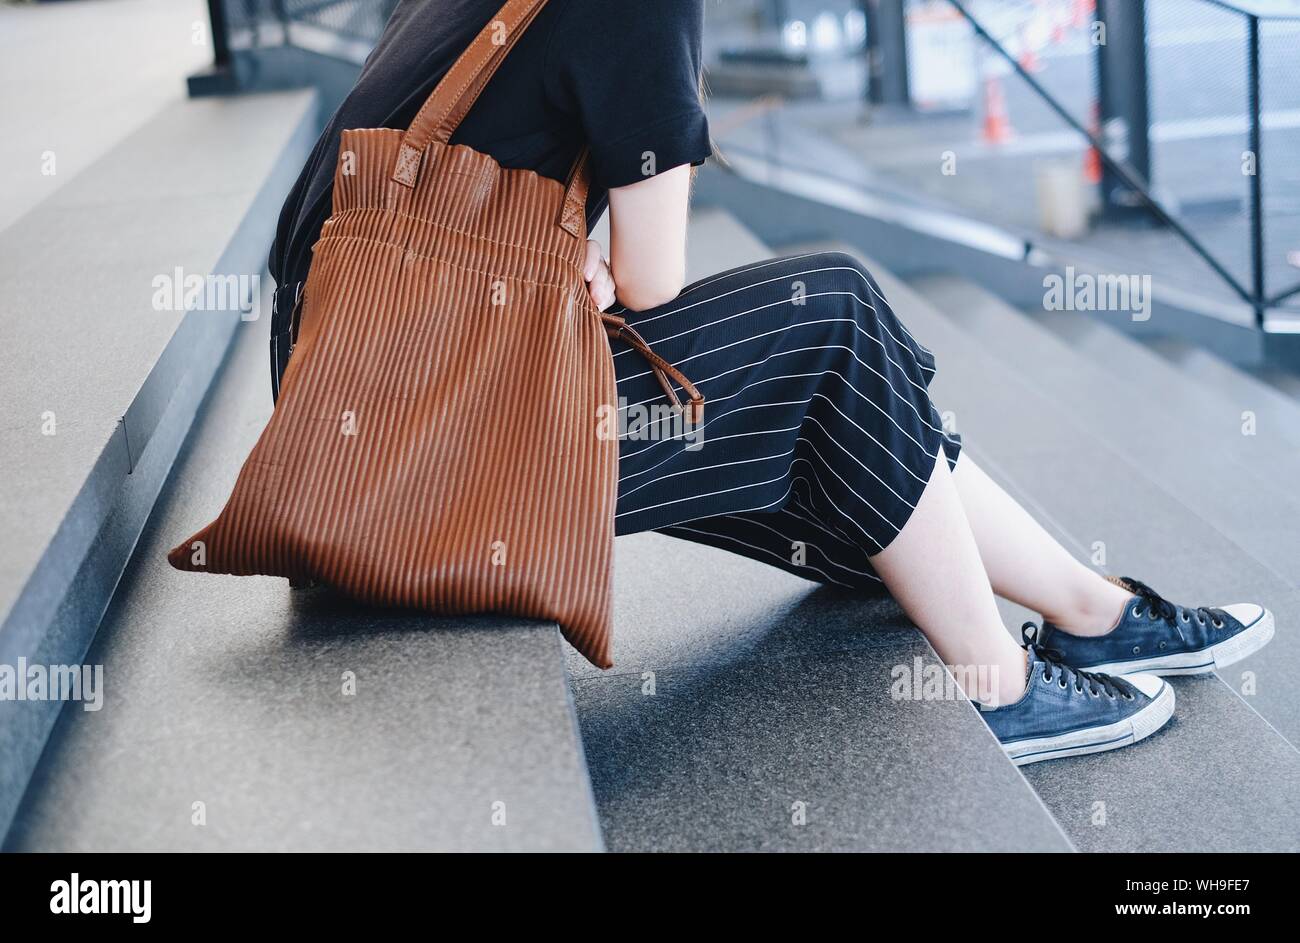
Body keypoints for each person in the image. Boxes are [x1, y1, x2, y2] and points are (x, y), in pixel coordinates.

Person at [268, 0, 1274, 765]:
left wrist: (576, 261)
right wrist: (602, 264)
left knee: (858, 474)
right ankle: (1001, 682)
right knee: (831, 310)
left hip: (363, 402)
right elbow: (655, 282)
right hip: (424, 457)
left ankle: (1090, 612)